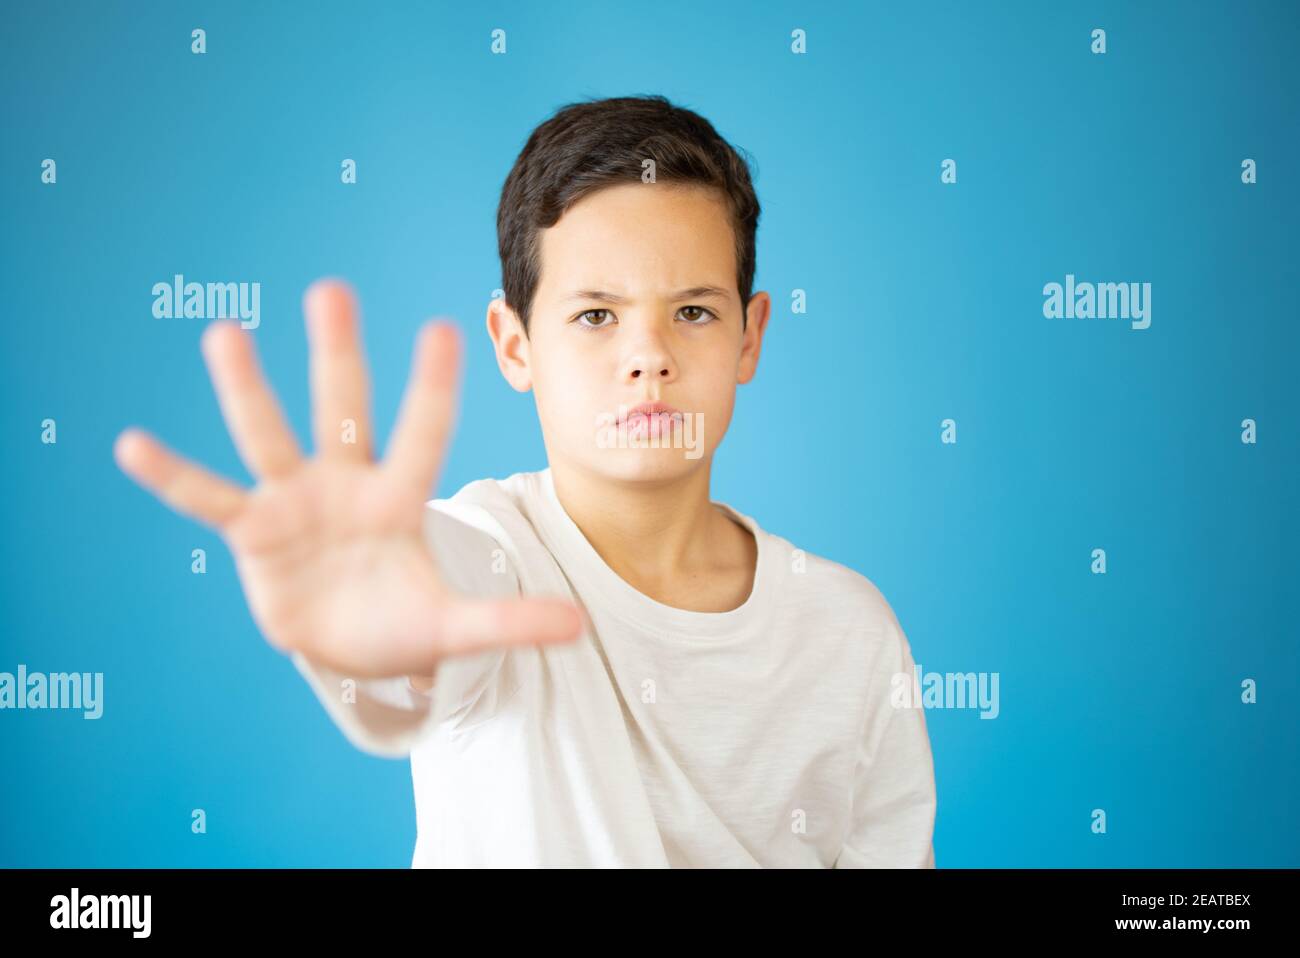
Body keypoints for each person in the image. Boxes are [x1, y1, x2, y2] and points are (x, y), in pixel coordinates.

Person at [114, 94, 936, 867]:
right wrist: (371, 627)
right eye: (595, 315)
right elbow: (426, 621)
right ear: (514, 346)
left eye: (693, 311)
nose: (648, 356)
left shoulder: (849, 631)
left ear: (750, 336)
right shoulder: (487, 560)